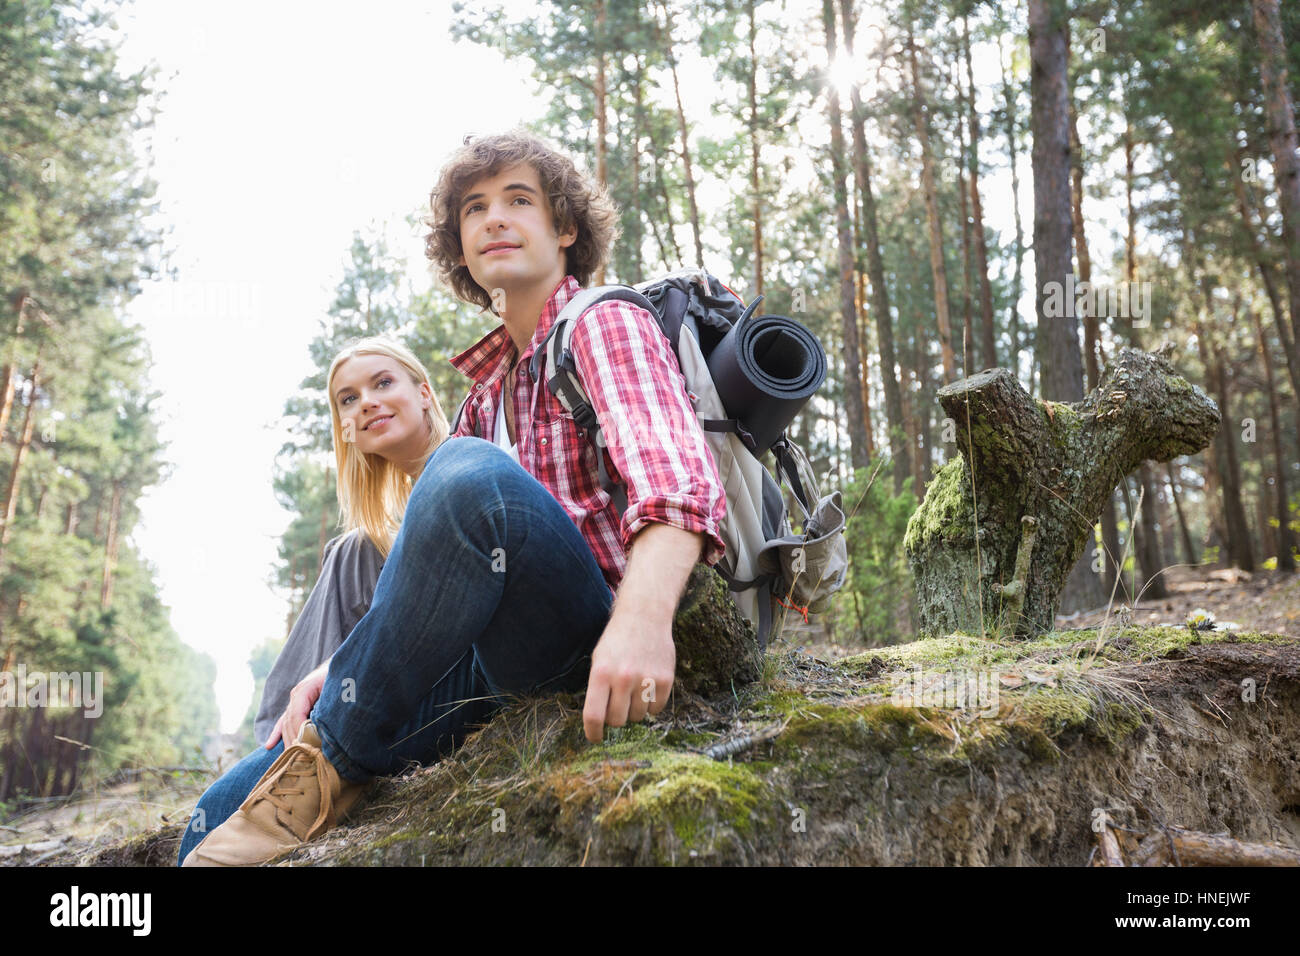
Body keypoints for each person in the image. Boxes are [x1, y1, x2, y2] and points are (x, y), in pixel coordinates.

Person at [181, 129, 727, 866]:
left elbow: (678, 483)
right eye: (475, 209)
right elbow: (431, 580)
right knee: (214, 818)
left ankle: (334, 754)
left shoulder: (603, 322)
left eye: (518, 200)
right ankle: (332, 754)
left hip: (589, 633)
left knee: (467, 473)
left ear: (564, 228)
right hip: (492, 665)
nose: (494, 218)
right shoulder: (484, 398)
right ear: (460, 245)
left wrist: (641, 622)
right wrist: (339, 667)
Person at [176, 336, 450, 864]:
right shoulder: (385, 523)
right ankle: (289, 740)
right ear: (344, 428)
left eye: (383, 383)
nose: (365, 401)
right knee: (353, 546)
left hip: (452, 676)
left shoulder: (472, 464)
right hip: (381, 681)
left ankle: (309, 744)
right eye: (348, 399)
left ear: (424, 392)